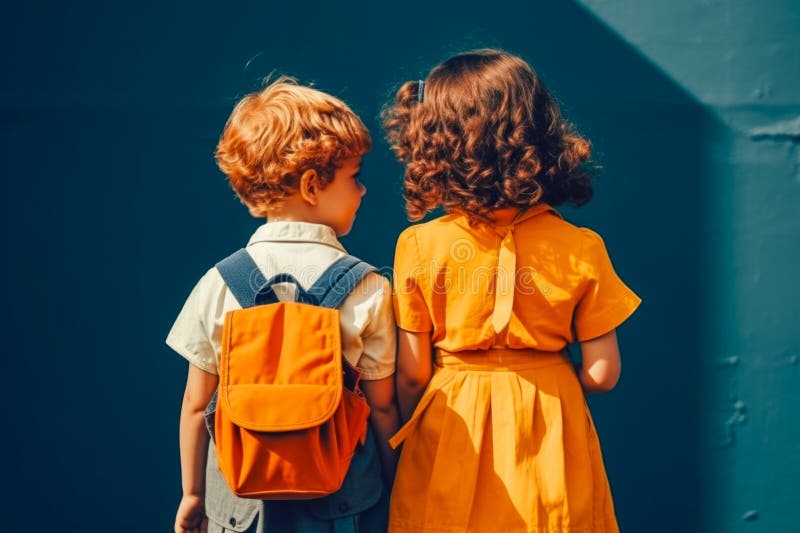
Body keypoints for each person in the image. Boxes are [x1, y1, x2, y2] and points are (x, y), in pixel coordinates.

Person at [382, 49, 642, 532]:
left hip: (451, 430)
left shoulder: (418, 245)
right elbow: (604, 373)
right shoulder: (582, 246)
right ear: (540, 135)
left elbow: (413, 373)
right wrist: (546, 382)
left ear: (434, 143)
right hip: (549, 435)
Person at [166, 76, 399, 533]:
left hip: (240, 505)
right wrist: (396, 488)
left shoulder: (219, 282)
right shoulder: (367, 286)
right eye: (355, 176)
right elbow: (383, 407)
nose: (364, 191)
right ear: (312, 185)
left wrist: (193, 495)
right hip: (343, 504)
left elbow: (197, 406)